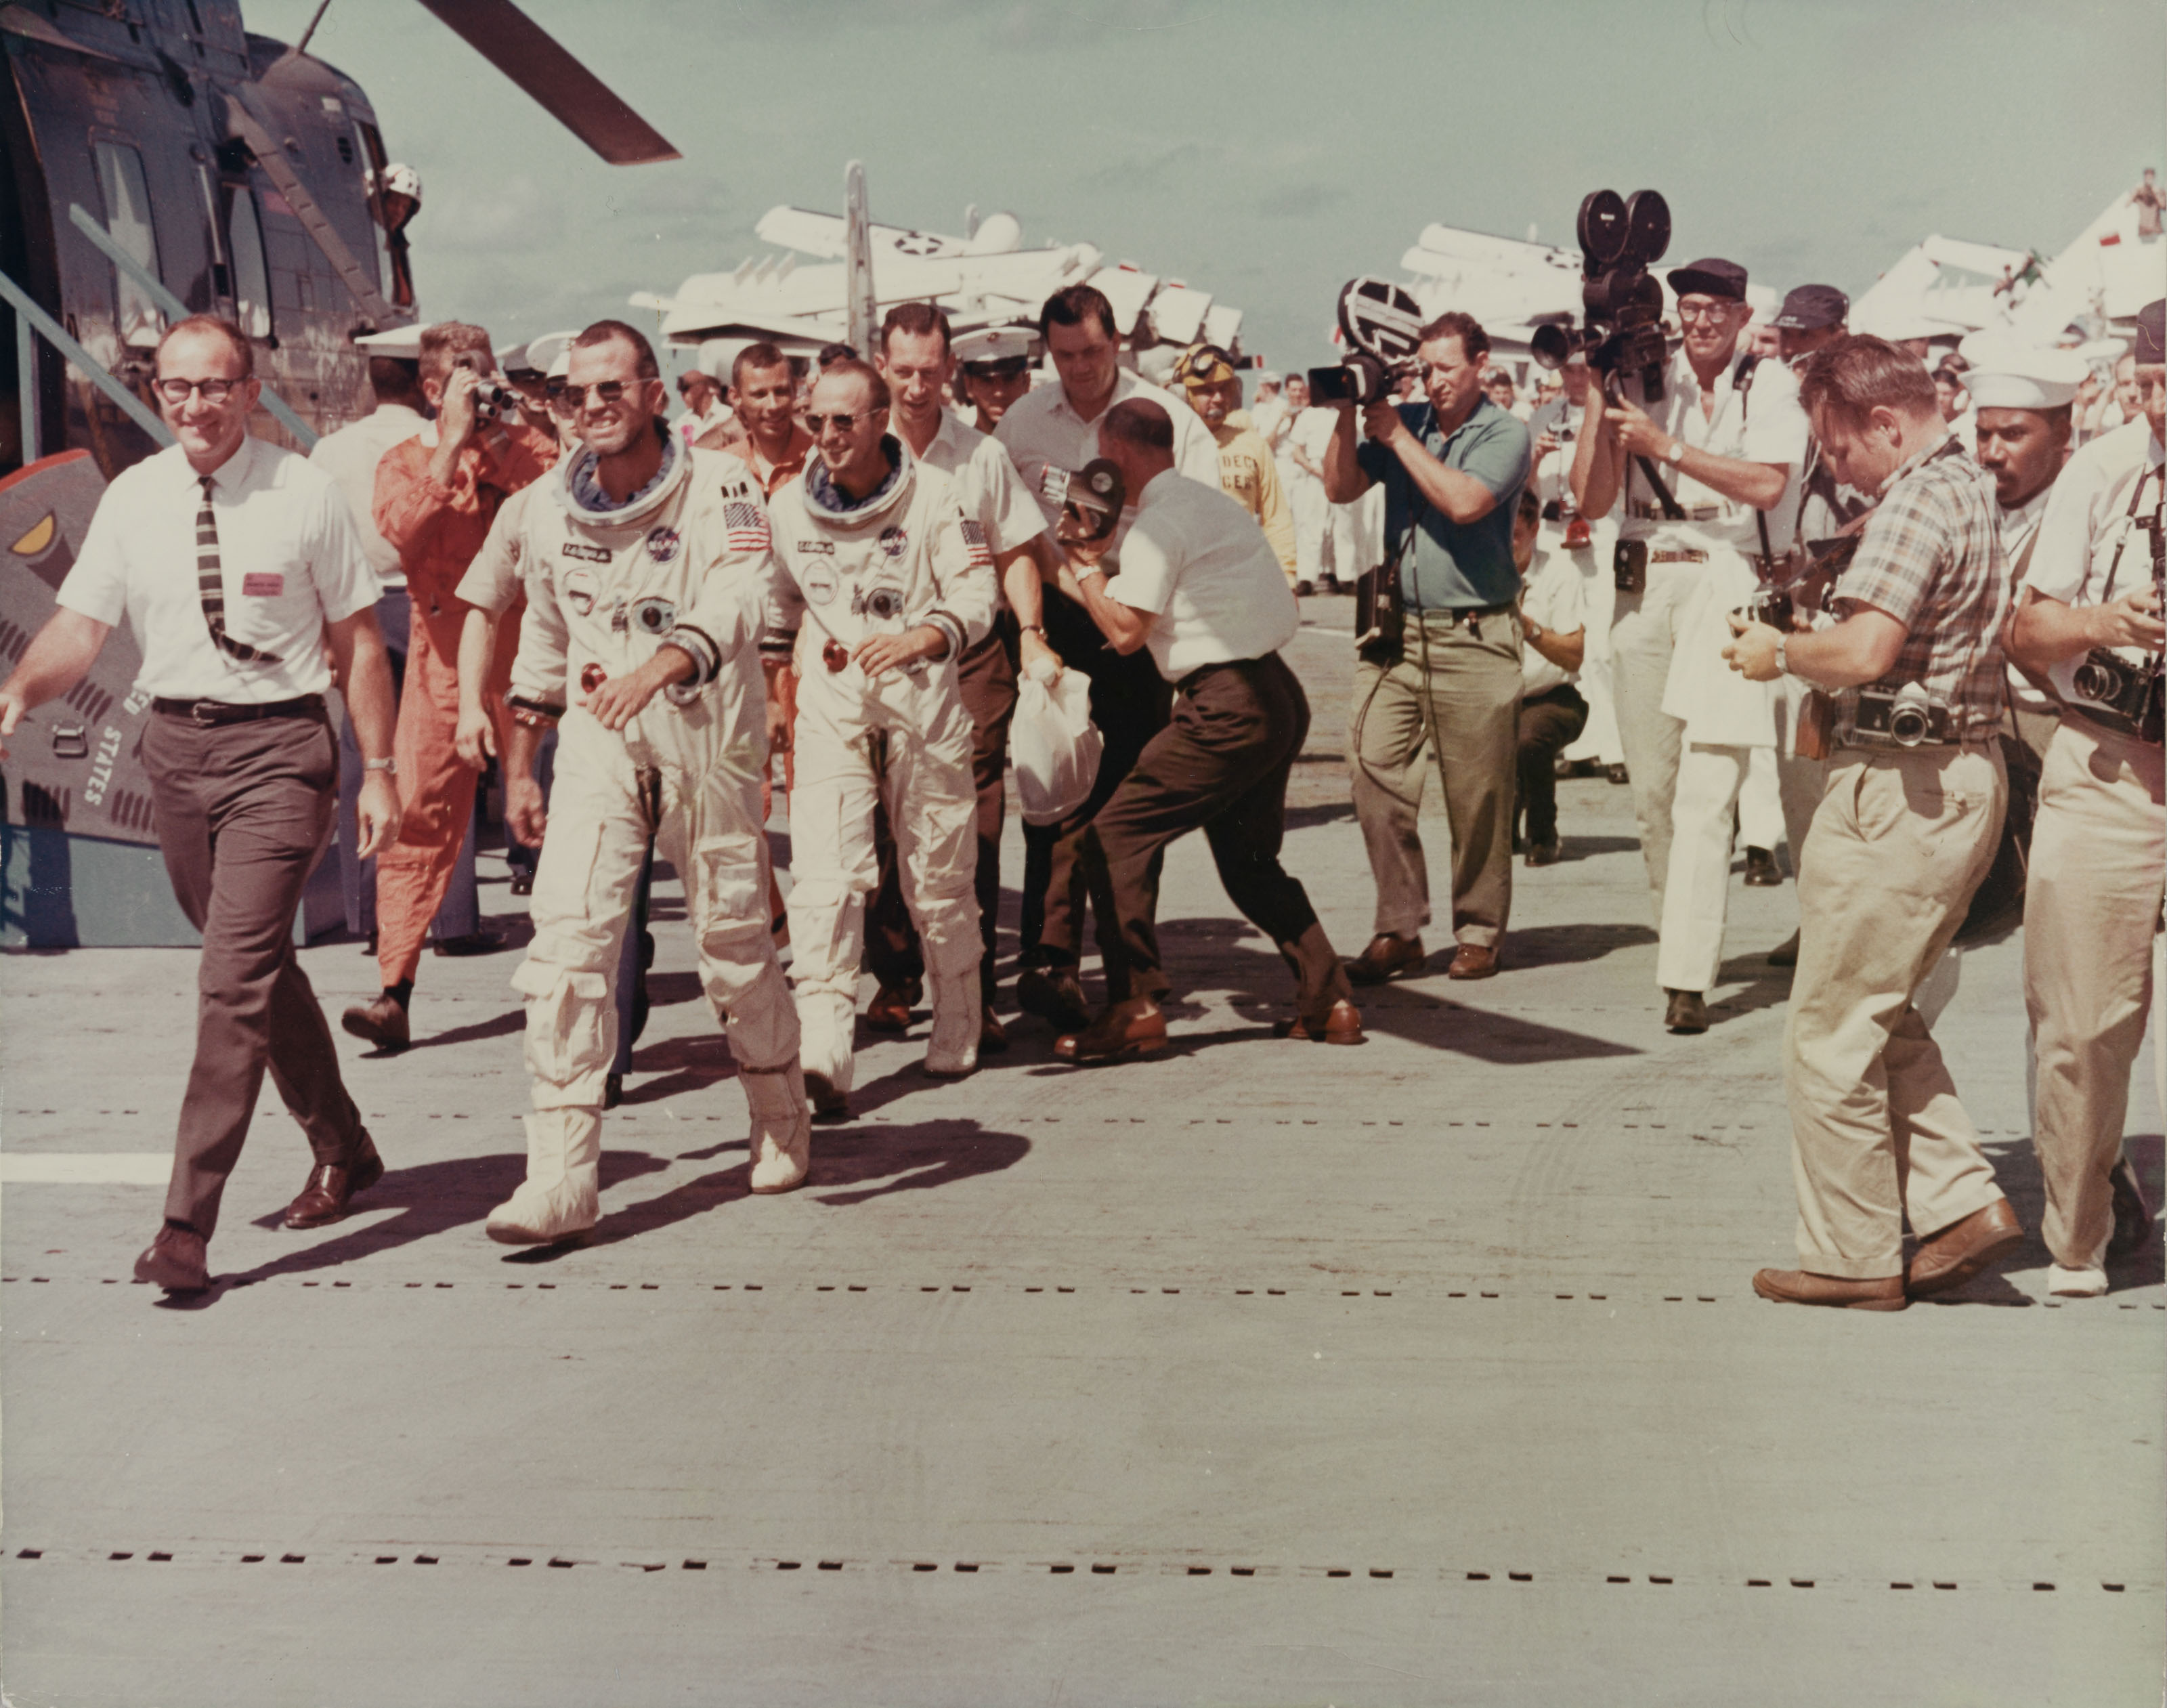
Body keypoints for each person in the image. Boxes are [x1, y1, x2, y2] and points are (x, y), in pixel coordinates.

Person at [0, 316, 399, 1294]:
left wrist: (379, 768)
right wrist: (19, 690)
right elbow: (80, 626)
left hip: (279, 751)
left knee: (228, 983)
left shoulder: (303, 491)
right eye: (175, 387)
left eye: (213, 386)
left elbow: (361, 643)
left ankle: (185, 1224)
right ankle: (346, 1144)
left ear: (250, 390)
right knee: (254, 963)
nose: (193, 405)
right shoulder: (135, 497)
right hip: (177, 752)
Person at [486, 320, 808, 1243]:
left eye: (612, 390)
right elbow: (544, 637)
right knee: (568, 946)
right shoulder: (551, 505)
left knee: (734, 947)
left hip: (707, 735)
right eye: (576, 394)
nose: (593, 408)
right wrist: (520, 765)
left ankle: (780, 1113)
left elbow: (744, 595)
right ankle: (559, 1178)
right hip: (600, 741)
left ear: (655, 394)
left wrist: (662, 666)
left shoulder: (722, 483)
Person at [1723, 333, 2021, 1310]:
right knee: (1878, 1007)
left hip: (1902, 787)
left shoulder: (1912, 501)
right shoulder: (1967, 486)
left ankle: (1850, 1256)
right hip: (1953, 777)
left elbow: (1866, 647)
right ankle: (1957, 1204)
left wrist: (1781, 652)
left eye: (1841, 449)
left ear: (1886, 424)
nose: (1836, 469)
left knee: (1828, 1030)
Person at [1044, 398, 1363, 1060]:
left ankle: (1133, 1003)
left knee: (1110, 838)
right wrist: (1101, 563)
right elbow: (1166, 598)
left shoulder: (1156, 527)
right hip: (1276, 692)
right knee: (1248, 864)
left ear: (1121, 454)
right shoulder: (1207, 504)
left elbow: (1126, 632)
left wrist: (1076, 564)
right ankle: (1327, 999)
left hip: (1222, 703)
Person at [1569, 257, 1809, 1033]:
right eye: (1690, 308)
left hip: (1724, 579)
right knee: (1652, 796)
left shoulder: (1766, 384)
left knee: (1711, 784)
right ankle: (1678, 941)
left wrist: (1663, 446)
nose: (1701, 321)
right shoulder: (1643, 376)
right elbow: (1591, 498)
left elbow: (1769, 484)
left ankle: (1685, 978)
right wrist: (1598, 398)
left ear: (1742, 317)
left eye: (1716, 309)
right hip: (1643, 585)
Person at [767, 358, 997, 1117]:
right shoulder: (789, 508)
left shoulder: (935, 496)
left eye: (844, 421)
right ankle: (826, 1044)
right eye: (818, 421)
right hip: (833, 700)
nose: (828, 436)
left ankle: (958, 1012)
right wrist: (771, 693)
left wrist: (925, 637)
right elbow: (773, 604)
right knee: (826, 875)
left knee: (935, 875)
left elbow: (976, 592)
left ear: (878, 420)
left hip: (921, 699)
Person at [993, 282, 1220, 1030]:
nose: (1080, 368)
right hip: (1057, 614)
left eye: (1092, 352)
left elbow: (1206, 520)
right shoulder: (1022, 423)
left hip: (1139, 619)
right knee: (1049, 789)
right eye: (1064, 356)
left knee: (1127, 796)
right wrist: (1064, 588)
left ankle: (1132, 976)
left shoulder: (1169, 420)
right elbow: (1014, 530)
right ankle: (1050, 962)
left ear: (1116, 342)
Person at [2004, 297, 2165, 1298]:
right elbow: (2026, 634)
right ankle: (2079, 1232)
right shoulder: (2103, 473)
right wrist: (2109, 618)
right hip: (2110, 762)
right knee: (2081, 1018)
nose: (2162, 405)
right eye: (2152, 386)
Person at [342, 324, 556, 1052]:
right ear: (432, 391)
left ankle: (586, 973)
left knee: (562, 816)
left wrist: (501, 449)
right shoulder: (405, 460)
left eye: (488, 378)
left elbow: (561, 515)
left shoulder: (530, 454)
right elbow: (401, 532)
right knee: (417, 821)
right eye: (466, 383)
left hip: (532, 657)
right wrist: (452, 450)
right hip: (441, 661)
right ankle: (393, 989)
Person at [863, 305, 1059, 1053]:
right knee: (883, 817)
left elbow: (1014, 550)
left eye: (929, 371)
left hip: (968, 652)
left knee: (971, 819)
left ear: (952, 370)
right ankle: (894, 973)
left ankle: (970, 988)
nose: (916, 387)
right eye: (902, 371)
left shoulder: (979, 456)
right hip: (877, 651)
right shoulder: (856, 448)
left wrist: (1033, 636)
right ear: (881, 365)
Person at [1323, 309, 1532, 985]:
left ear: (1479, 366)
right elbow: (1339, 487)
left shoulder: (1504, 433)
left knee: (1476, 797)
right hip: (1396, 633)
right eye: (1425, 368)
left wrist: (1397, 438)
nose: (1433, 381)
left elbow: (1464, 501)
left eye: (1446, 368)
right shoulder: (1403, 419)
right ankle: (1399, 924)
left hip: (1473, 634)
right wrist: (1345, 415)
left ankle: (1477, 929)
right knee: (1370, 769)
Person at [309, 354, 436, 944]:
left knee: (365, 751)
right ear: (422, 381)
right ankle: (447, 918)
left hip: (355, 607)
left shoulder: (331, 450)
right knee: (435, 754)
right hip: (429, 605)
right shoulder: (438, 439)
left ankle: (367, 915)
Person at [1176, 343, 1297, 586]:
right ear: (1185, 393)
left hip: (1240, 577)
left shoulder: (1253, 445)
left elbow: (1276, 518)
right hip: (1183, 581)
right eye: (1207, 391)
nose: (1218, 398)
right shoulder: (1167, 445)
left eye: (1224, 389)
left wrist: (1287, 578)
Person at [1511, 488, 1587, 866]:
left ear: (1536, 529)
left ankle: (1544, 833)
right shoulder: (1477, 570)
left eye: (1515, 535)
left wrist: (1529, 629)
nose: (1505, 545)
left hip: (1550, 697)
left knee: (1528, 738)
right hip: (1495, 698)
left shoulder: (1560, 573)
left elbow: (1574, 656)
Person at [1283, 380, 1334, 596]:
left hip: (1339, 470)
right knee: (1310, 526)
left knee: (1339, 528)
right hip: (1315, 471)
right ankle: (1306, 577)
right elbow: (1296, 452)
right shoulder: (1307, 415)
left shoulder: (1342, 413)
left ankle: (1341, 575)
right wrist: (1315, 469)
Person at [951, 326, 1035, 433]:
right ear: (969, 386)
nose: (999, 393)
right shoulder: (960, 449)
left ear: (1026, 382)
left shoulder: (1047, 445)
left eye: (1009, 379)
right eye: (987, 381)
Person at [676, 365, 737, 450]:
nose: (682, 397)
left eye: (685, 390)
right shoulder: (681, 422)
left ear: (697, 389)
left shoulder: (729, 415)